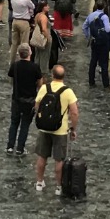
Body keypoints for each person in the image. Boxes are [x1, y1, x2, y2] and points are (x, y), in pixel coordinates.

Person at [33, 66, 78, 194]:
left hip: (44, 129)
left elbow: (37, 106)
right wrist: (73, 128)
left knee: (42, 156)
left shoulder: (44, 88)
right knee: (59, 159)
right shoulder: (68, 92)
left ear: (52, 75)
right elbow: (74, 112)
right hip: (60, 130)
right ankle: (59, 187)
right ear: (64, 76)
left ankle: (39, 182)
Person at [5, 44, 41, 155]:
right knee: (25, 124)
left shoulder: (15, 66)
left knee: (14, 123)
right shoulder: (35, 67)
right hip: (29, 100)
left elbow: (11, 76)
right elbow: (40, 83)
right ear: (30, 53)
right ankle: (20, 148)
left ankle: (10, 146)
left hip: (16, 98)